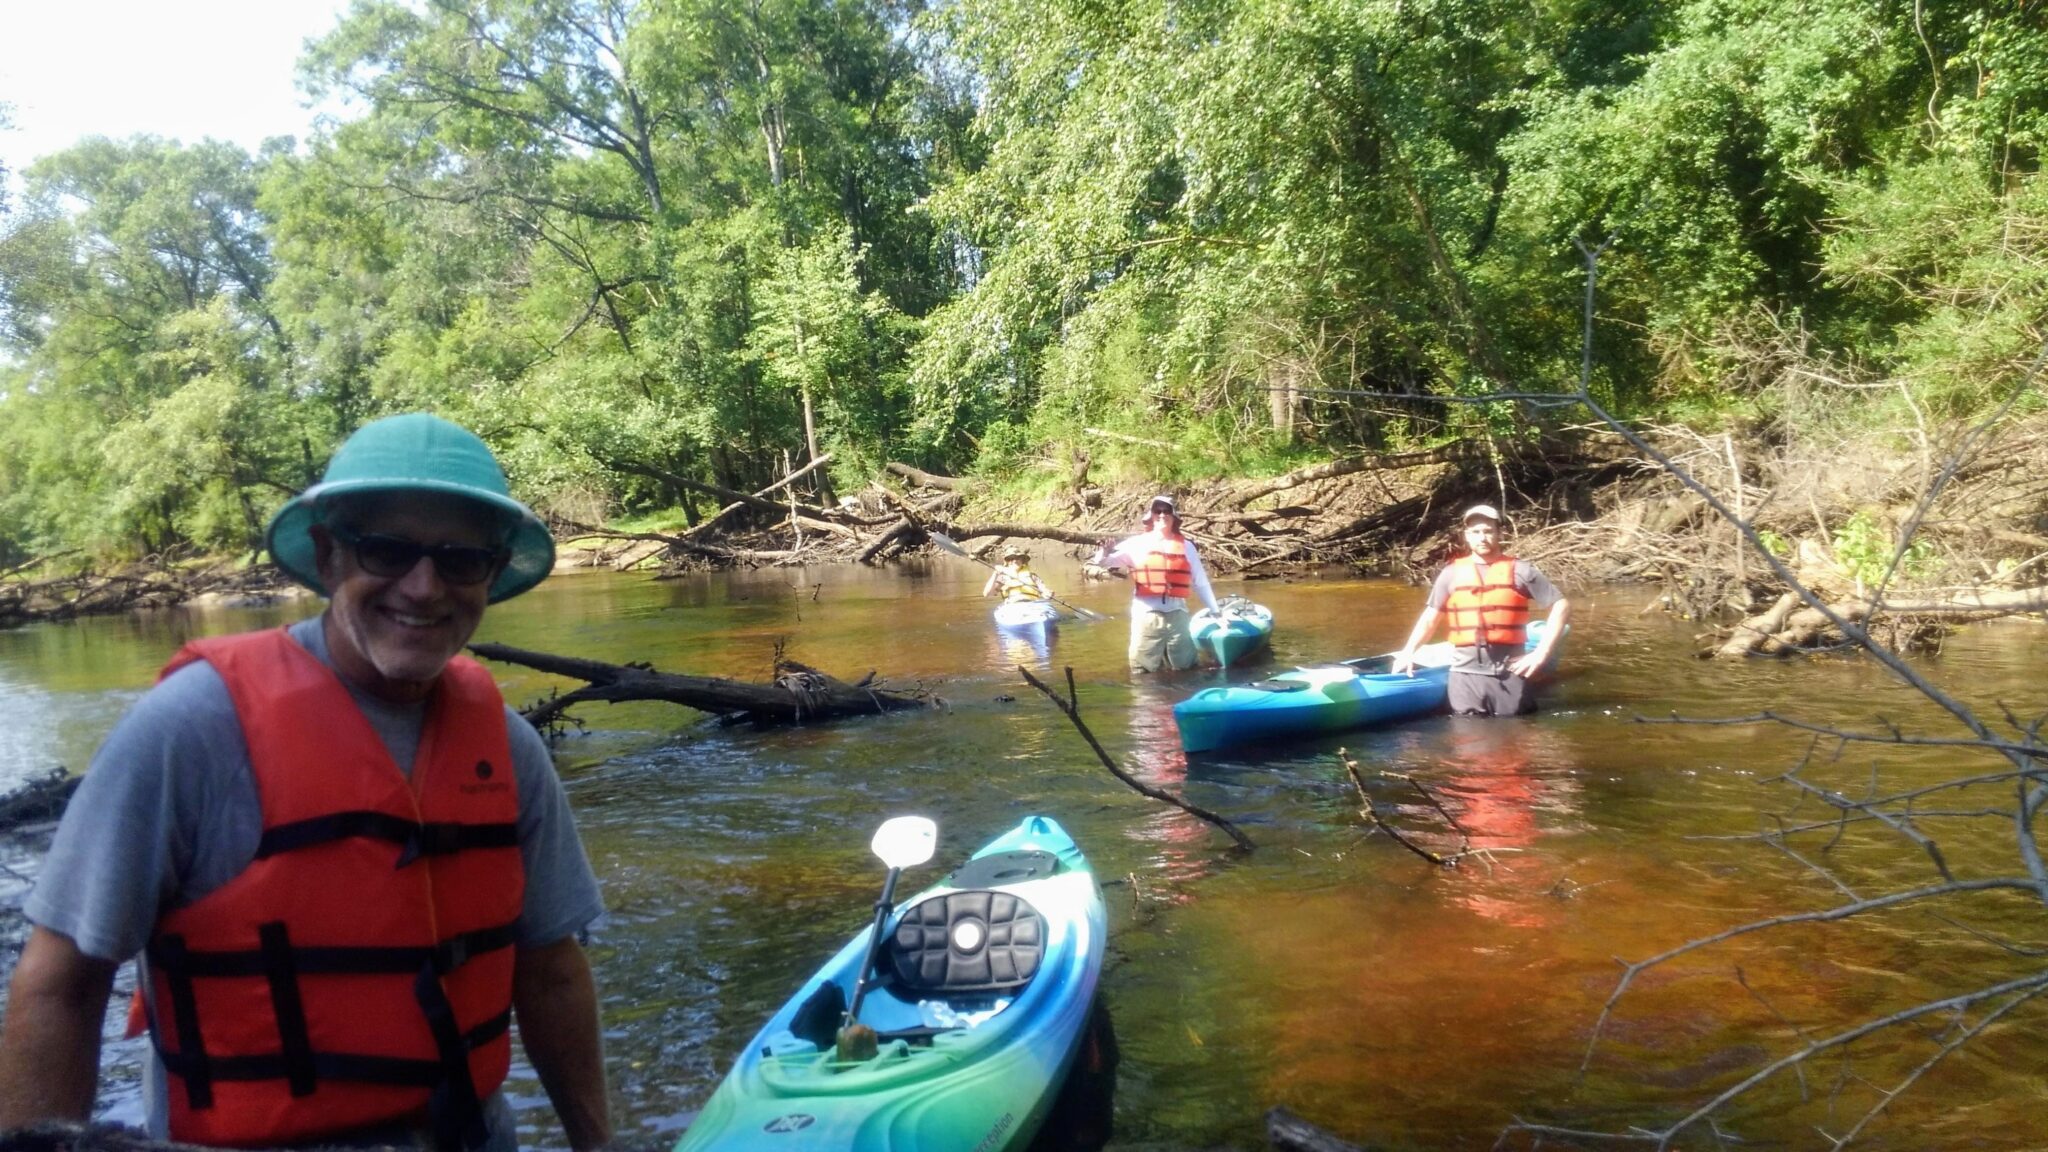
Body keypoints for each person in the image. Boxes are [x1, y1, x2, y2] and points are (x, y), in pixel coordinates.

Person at [0, 414, 611, 1152]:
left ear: (493, 571)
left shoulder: (508, 750)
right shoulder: (189, 731)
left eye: (461, 560)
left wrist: (596, 1145)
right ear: (328, 555)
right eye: (387, 550)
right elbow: (61, 985)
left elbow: (550, 974)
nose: (423, 588)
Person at [1392, 504, 1570, 716]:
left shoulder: (1521, 571)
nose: (1482, 538)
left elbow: (1561, 605)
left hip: (1509, 674)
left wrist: (1541, 653)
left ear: (1499, 533)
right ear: (1467, 536)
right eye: (1476, 532)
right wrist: (1408, 652)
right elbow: (1430, 619)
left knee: (1516, 733)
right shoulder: (1450, 573)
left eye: (1488, 531)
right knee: (1468, 733)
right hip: (1464, 677)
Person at [1091, 494, 1220, 674]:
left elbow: (1201, 582)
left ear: (1173, 516)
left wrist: (1215, 611)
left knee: (1187, 669)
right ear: (1151, 515)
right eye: (1157, 511)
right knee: (1142, 671)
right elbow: (1103, 562)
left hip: (1178, 614)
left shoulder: (1187, 546)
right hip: (1147, 614)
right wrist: (1104, 552)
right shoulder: (1136, 543)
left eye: (1166, 511)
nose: (1162, 515)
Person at [982, 546, 1053, 604]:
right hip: (1013, 606)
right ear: (1007, 562)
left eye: (1018, 558)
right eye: (1011, 559)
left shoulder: (1032, 576)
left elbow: (1044, 590)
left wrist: (1048, 593)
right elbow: (987, 594)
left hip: (1033, 605)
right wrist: (995, 574)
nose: (1015, 561)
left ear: (1022, 560)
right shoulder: (1002, 577)